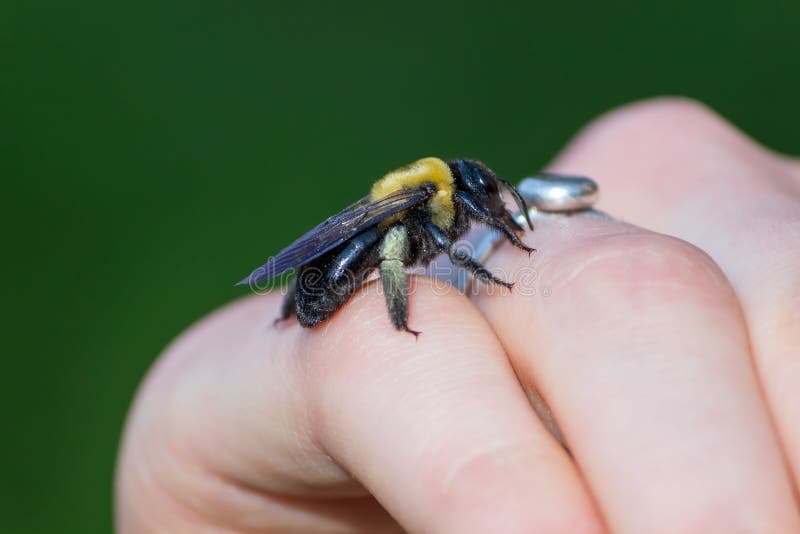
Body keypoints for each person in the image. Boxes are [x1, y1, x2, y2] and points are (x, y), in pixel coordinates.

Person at [115, 98, 800, 533]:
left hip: (330, 281)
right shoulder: (417, 210)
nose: (483, 207)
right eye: (480, 199)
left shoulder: (435, 203)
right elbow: (399, 247)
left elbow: (440, 237)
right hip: (340, 282)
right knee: (384, 245)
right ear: (449, 193)